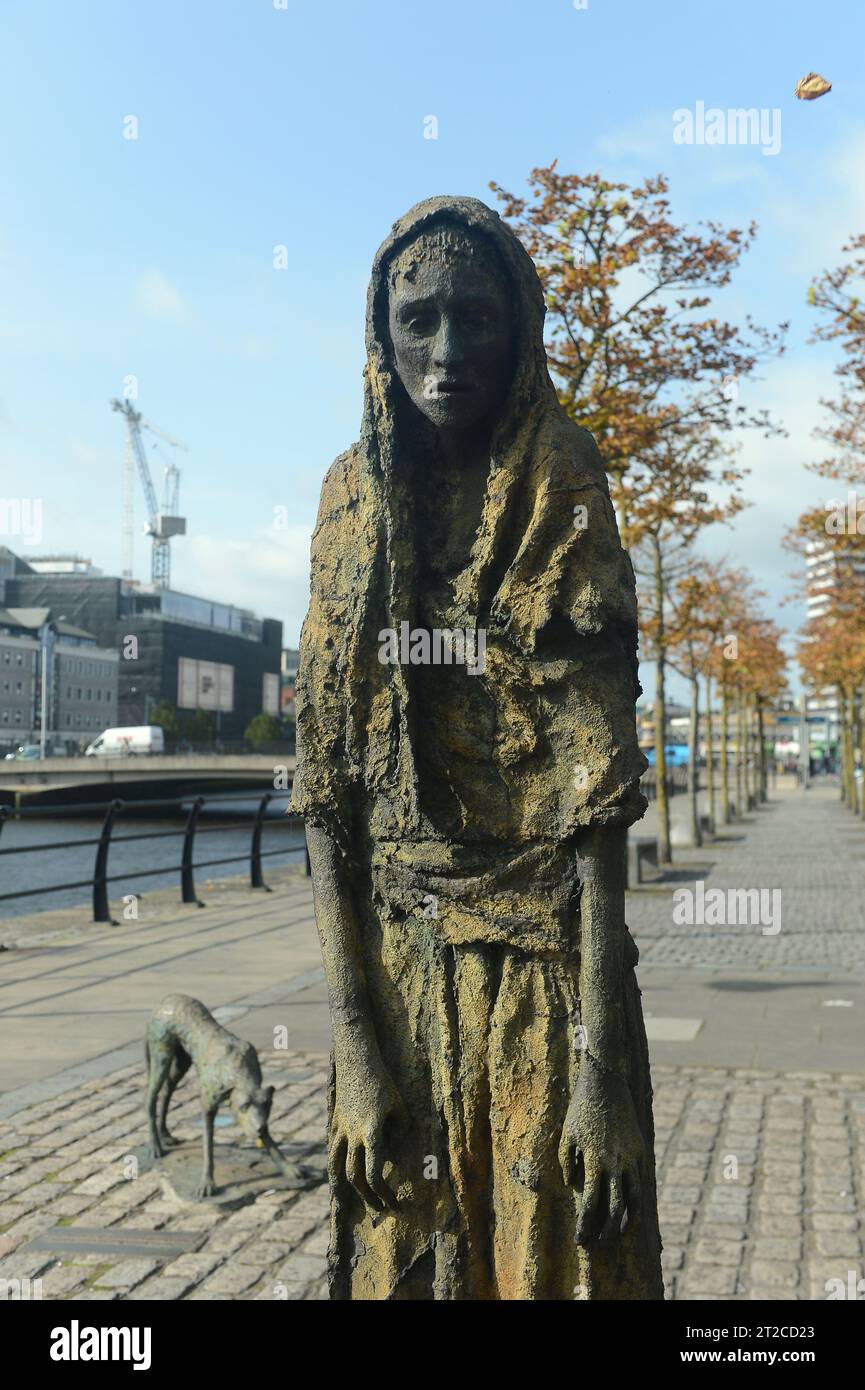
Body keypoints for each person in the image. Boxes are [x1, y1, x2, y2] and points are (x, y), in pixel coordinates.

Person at [291, 196, 663, 1300]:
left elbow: (594, 797)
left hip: (548, 980)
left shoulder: (562, 478)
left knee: (557, 1264)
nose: (446, 351)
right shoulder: (348, 500)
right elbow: (325, 787)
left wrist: (600, 1073)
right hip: (400, 970)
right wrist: (355, 1044)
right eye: (419, 319)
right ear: (380, 333)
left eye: (476, 318)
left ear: (521, 330)